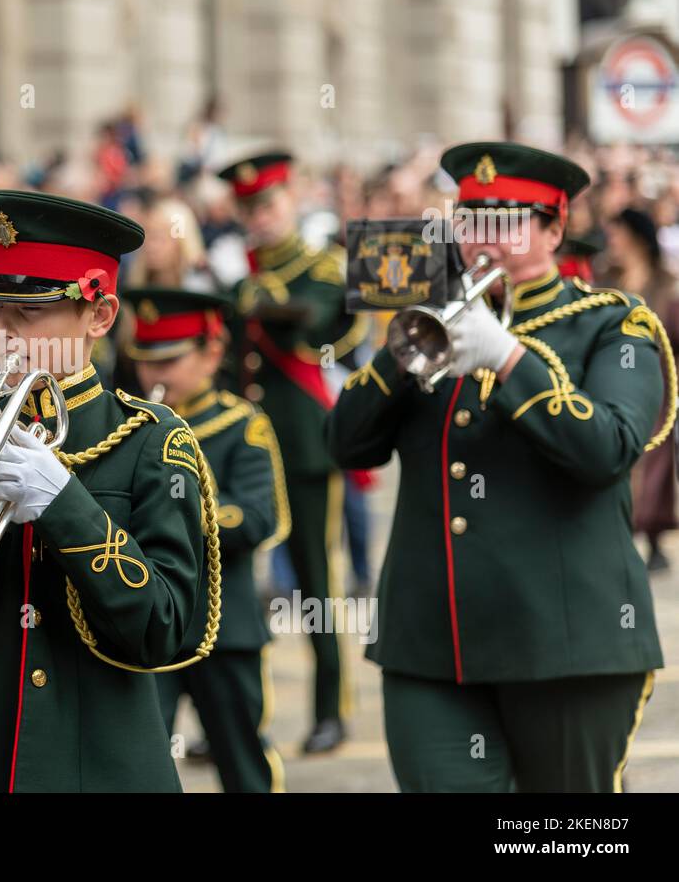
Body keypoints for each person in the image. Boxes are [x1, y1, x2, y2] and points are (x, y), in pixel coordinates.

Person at [329, 142, 671, 791]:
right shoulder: (432, 316)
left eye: (506, 222)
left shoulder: (611, 325)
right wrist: (398, 355)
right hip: (432, 644)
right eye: (469, 220)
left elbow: (607, 448)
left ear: (553, 227)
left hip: (567, 645)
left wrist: (509, 358)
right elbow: (346, 445)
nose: (483, 240)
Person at [0, 190, 213, 792]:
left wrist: (65, 504)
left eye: (28, 310)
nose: (3, 331)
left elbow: (165, 629)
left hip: (106, 770)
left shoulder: (152, 443)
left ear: (100, 315)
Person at [221, 150, 366, 754]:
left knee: (315, 588)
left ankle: (331, 709)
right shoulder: (240, 282)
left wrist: (265, 300)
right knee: (231, 588)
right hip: (244, 450)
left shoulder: (324, 268)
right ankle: (232, 718)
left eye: (270, 203)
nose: (261, 217)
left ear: (294, 198)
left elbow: (317, 326)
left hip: (306, 447)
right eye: (250, 208)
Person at [126, 286, 289, 793]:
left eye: (171, 360)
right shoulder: (128, 426)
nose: (156, 375)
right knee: (137, 764)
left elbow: (261, 519)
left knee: (243, 763)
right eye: (146, 361)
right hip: (148, 621)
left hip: (225, 627)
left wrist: (176, 513)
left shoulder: (242, 425)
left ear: (212, 352)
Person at [603, 206, 679, 572]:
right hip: (611, 380)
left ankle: (651, 534)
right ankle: (620, 532)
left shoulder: (667, 284)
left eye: (618, 233)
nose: (611, 241)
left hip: (658, 384)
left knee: (655, 460)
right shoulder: (606, 280)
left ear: (636, 237)